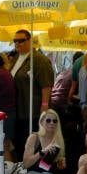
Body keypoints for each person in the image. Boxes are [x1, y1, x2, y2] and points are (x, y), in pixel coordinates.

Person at [7, 30, 55, 158]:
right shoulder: (16, 58)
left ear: (29, 41)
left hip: (31, 110)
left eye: (21, 40)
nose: (17, 43)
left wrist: (44, 104)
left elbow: (46, 84)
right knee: (19, 142)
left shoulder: (39, 60)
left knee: (30, 142)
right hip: (18, 109)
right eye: (15, 41)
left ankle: (31, 169)